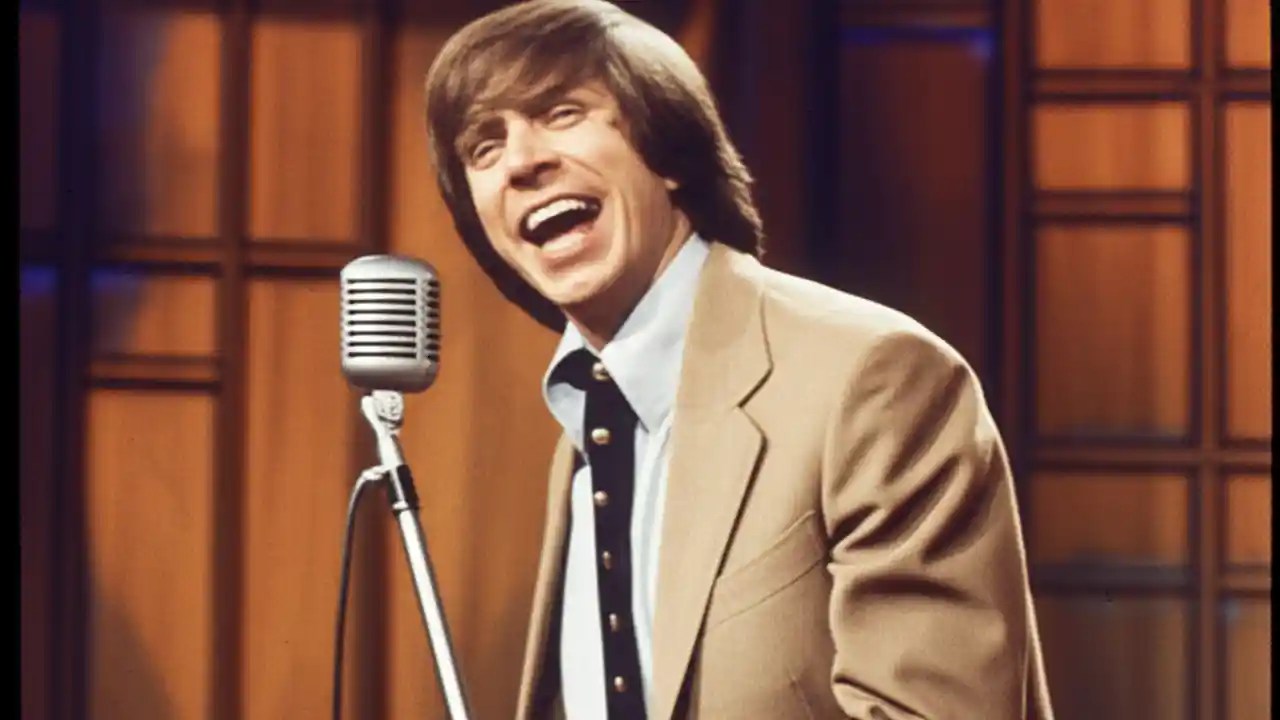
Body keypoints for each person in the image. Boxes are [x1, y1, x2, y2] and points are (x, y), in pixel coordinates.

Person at [423, 1, 1055, 718]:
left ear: (665, 148)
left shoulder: (873, 376)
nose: (520, 162)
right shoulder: (592, 414)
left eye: (562, 112)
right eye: (483, 147)